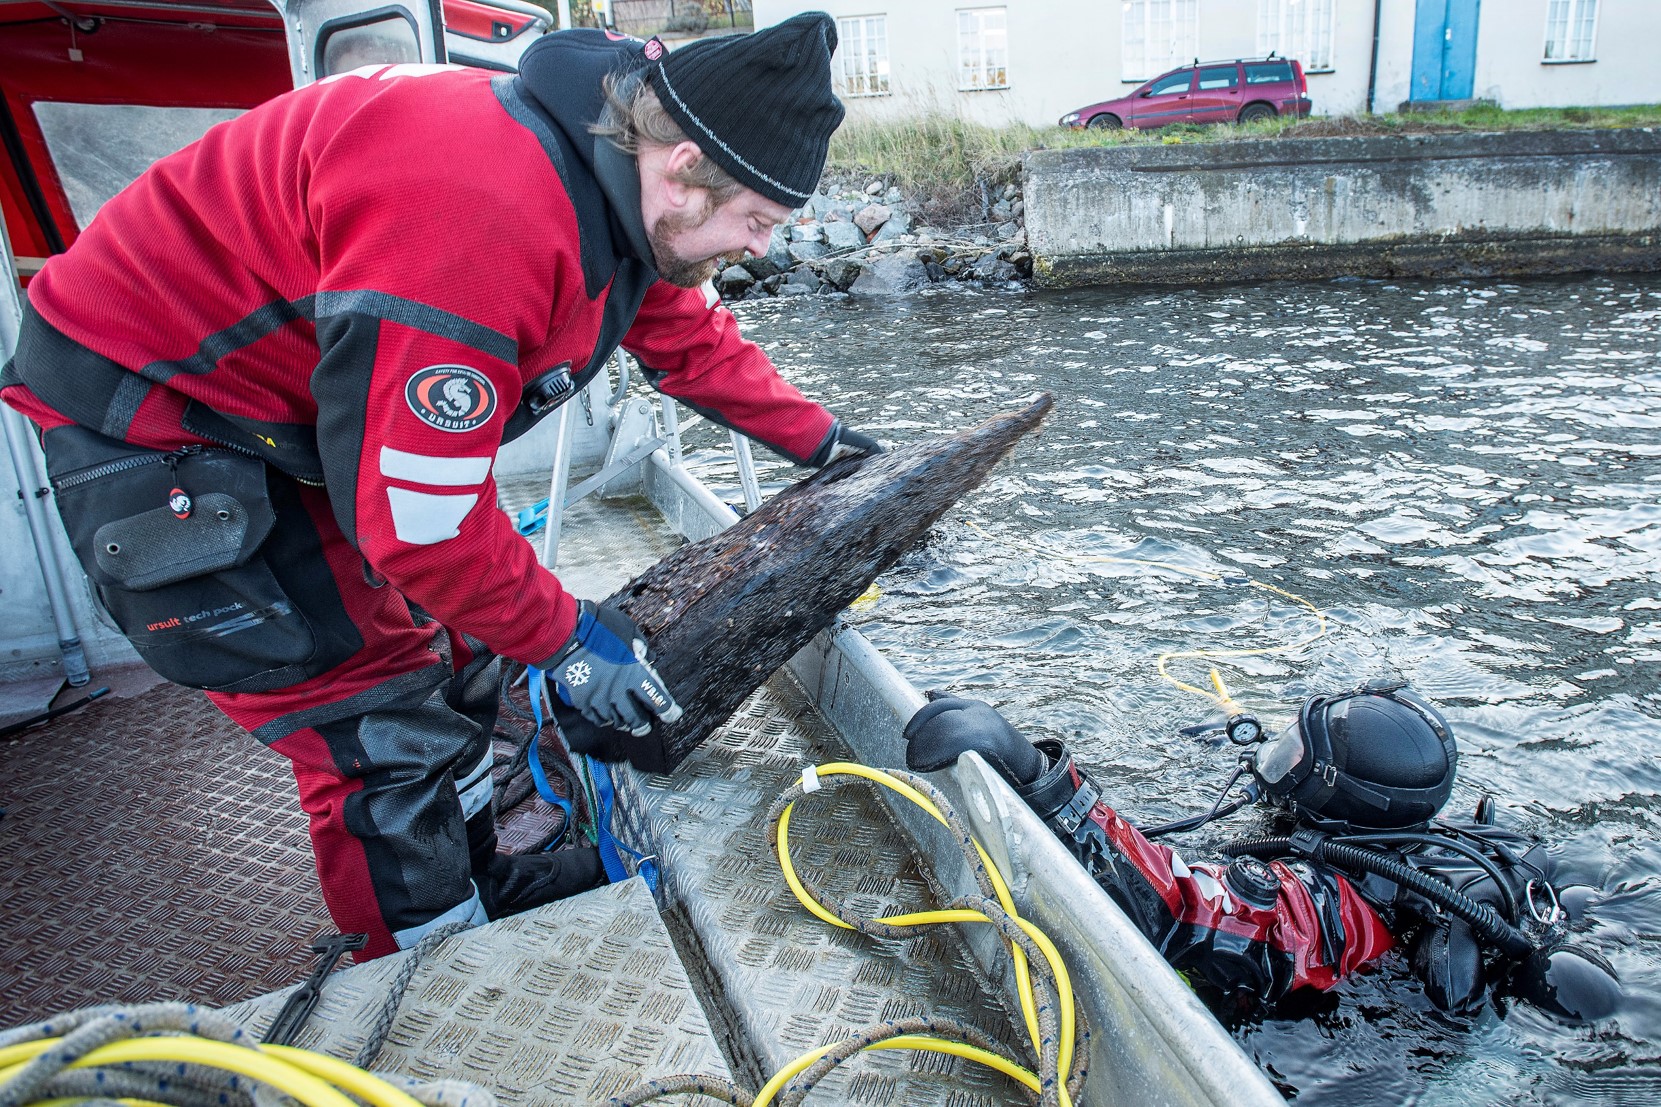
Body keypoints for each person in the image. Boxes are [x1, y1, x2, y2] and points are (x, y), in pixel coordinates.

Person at [0, 13, 880, 960]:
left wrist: (827, 443)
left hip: (293, 403)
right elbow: (420, 526)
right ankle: (431, 969)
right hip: (161, 406)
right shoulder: (477, 218)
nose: (753, 247)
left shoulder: (619, 181)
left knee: (458, 649)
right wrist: (572, 640)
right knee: (370, 721)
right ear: (682, 169)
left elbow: (686, 337)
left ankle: (474, 868)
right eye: (754, 222)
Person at [903, 683, 1621, 1023]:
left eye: (1294, 755)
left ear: (1340, 791)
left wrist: (1039, 774)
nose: (1277, 766)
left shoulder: (1327, 903)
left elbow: (1177, 909)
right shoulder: (1447, 850)